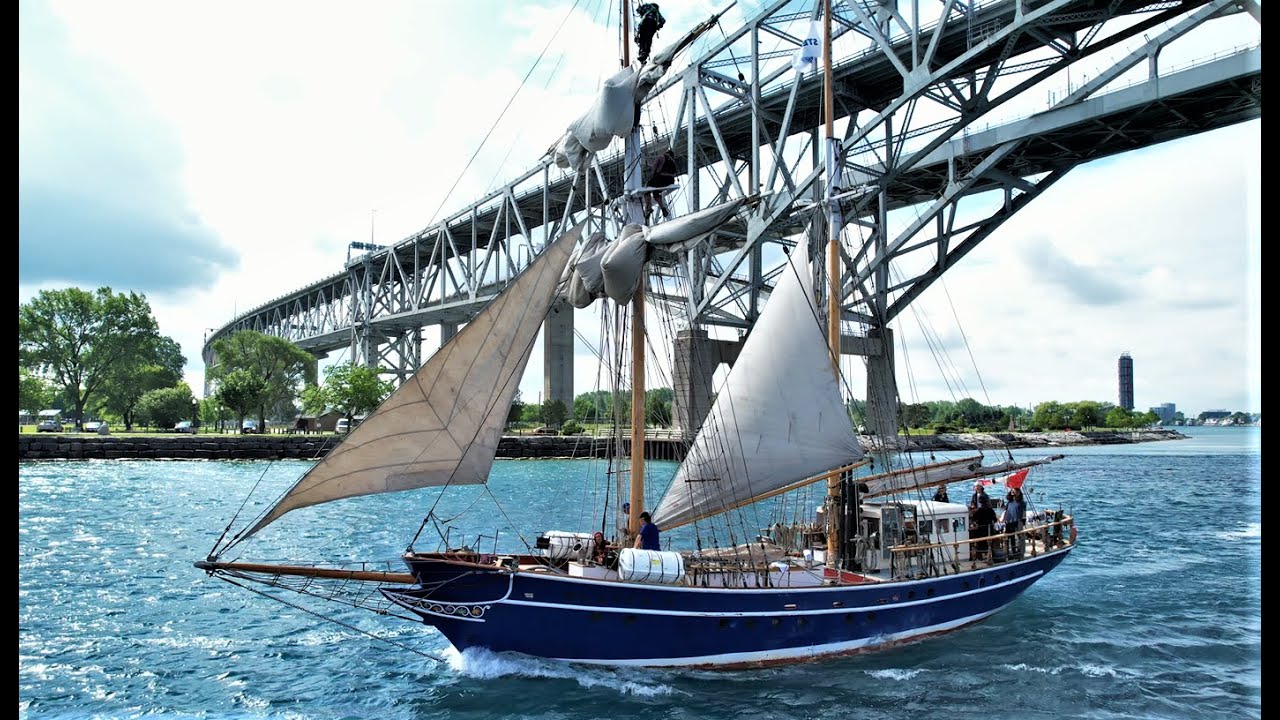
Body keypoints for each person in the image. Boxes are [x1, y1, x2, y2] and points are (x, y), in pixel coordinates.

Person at [644, 147, 677, 222]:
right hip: (670, 180)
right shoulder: (673, 161)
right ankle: (663, 208)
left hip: (661, 178)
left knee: (647, 189)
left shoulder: (661, 157)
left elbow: (654, 169)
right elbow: (674, 173)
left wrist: (652, 177)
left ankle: (648, 208)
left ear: (666, 153)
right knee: (656, 192)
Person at [971, 495, 997, 562]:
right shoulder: (990, 510)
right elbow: (995, 519)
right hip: (989, 529)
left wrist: (975, 524)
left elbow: (973, 519)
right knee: (990, 544)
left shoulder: (978, 511)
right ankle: (992, 556)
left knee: (980, 544)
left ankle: (980, 557)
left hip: (980, 529)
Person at [1002, 488, 1026, 558]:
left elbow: (1022, 513)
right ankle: (1009, 552)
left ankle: (1018, 552)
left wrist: (1021, 521)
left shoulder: (1021, 502)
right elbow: (1006, 510)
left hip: (1016, 521)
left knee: (1017, 538)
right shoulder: (1010, 501)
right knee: (1009, 538)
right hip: (1008, 522)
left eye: (1014, 491)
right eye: (1012, 491)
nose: (1013, 492)